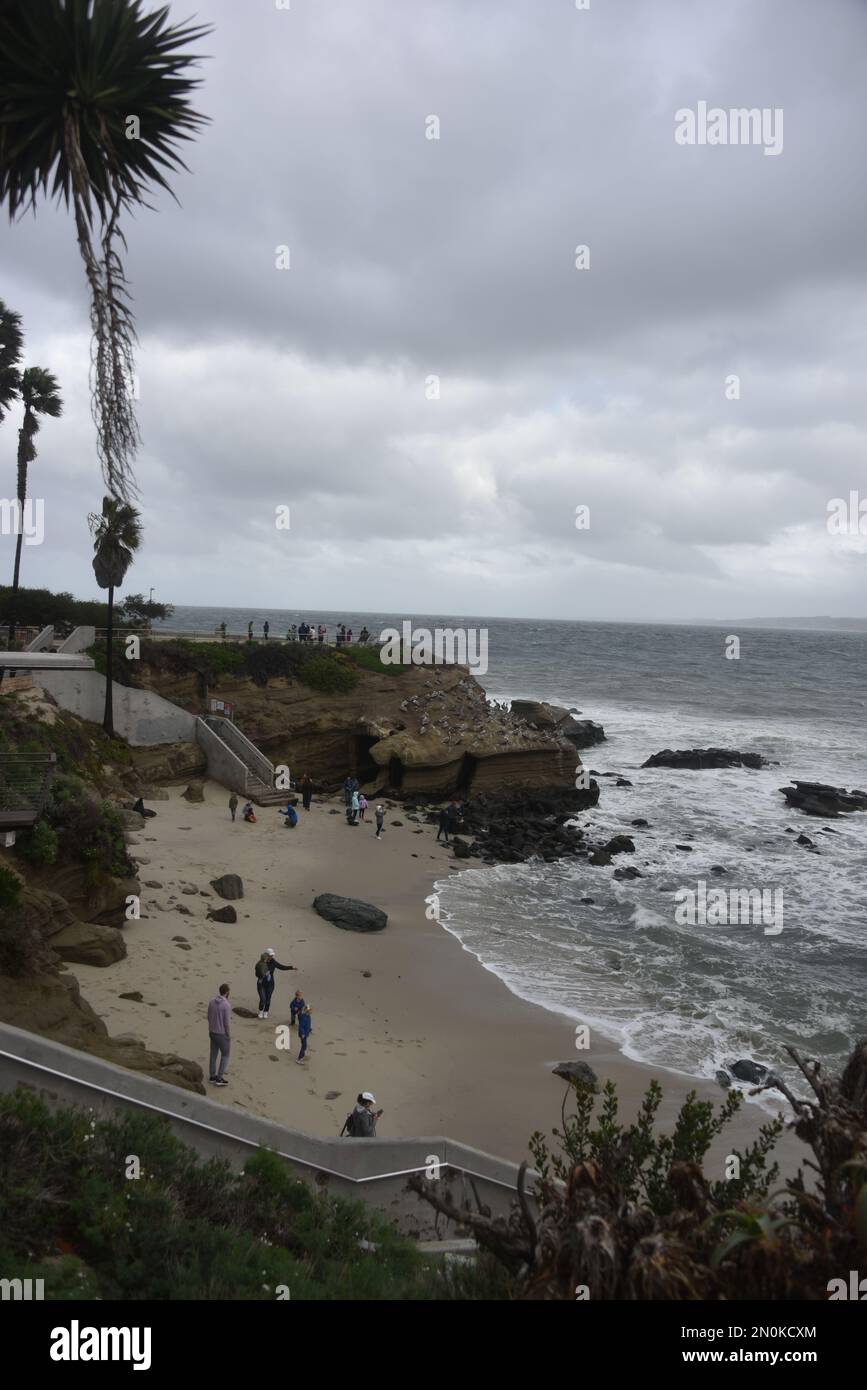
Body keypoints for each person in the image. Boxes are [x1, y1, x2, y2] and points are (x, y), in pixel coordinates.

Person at [255, 948, 296, 1019]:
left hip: (270, 984)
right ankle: (261, 1011)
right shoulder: (260, 963)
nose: (272, 957)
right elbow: (256, 974)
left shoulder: (273, 962)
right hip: (261, 984)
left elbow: (281, 967)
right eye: (270, 955)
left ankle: (266, 1012)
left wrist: (291, 968)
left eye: (272, 955)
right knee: (263, 999)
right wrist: (263, 974)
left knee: (268, 999)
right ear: (266, 955)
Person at [207, 983, 232, 1086]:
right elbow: (226, 1023)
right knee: (225, 1055)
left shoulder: (211, 1001)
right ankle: (219, 1078)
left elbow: (208, 1016)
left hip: (212, 1032)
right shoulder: (226, 1005)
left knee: (213, 1054)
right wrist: (228, 1035)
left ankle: (212, 1076)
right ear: (227, 992)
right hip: (222, 1034)